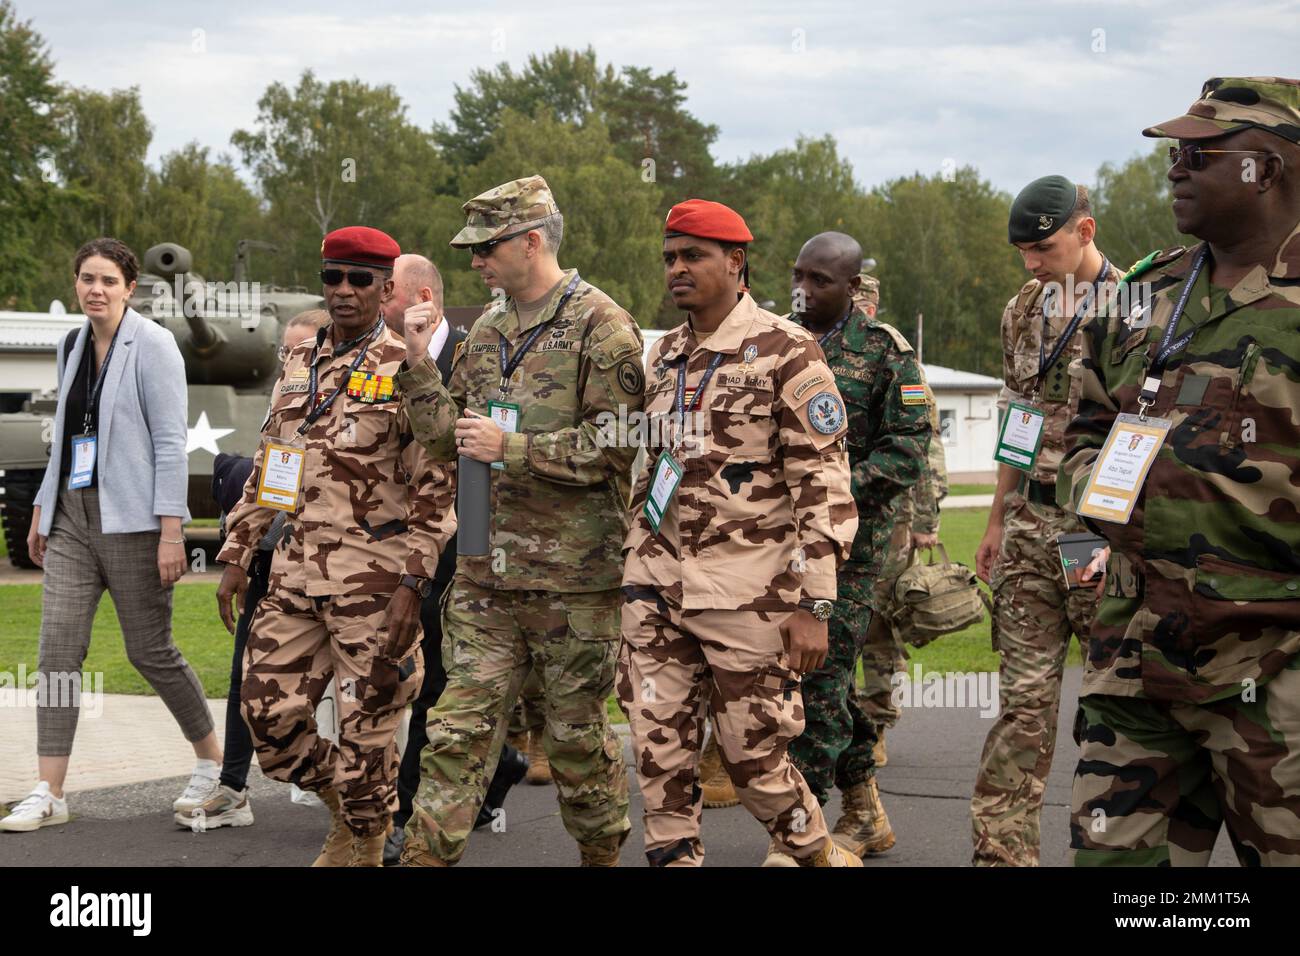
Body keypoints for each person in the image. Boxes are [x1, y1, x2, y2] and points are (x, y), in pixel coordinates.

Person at [1061, 76, 1300, 866]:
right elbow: (1081, 433)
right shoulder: (1145, 296)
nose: (1175, 169)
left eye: (1198, 153)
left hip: (1277, 670)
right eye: (1174, 153)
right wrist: (1108, 502)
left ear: (1263, 168)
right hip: (1136, 656)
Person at [397, 175, 640, 867]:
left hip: (574, 585)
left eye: (486, 247)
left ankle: (602, 855)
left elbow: (621, 445)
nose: (474, 262)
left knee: (573, 741)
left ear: (531, 241)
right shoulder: (488, 331)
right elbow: (447, 442)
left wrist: (517, 450)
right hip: (483, 574)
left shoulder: (603, 326)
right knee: (456, 734)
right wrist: (417, 364)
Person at [620, 199, 861, 867]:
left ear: (735, 262)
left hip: (749, 594)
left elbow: (825, 488)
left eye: (692, 255)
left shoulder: (787, 351)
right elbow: (653, 470)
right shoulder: (665, 355)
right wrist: (634, 562)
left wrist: (815, 606)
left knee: (756, 761)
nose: (677, 269)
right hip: (657, 590)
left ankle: (815, 853)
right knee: (658, 751)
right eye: (669, 257)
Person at [214, 226, 456, 867]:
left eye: (360, 279)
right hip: (294, 570)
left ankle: (367, 841)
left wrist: (415, 584)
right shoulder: (299, 363)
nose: (344, 290)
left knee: (369, 732)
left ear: (385, 289)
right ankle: (350, 812)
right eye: (333, 277)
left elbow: (440, 482)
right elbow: (274, 462)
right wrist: (239, 551)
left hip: (377, 584)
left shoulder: (408, 365)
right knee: (268, 718)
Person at [3, 238, 221, 834]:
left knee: (150, 652)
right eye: (85, 278)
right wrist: (42, 508)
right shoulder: (70, 344)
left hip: (135, 519)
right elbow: (67, 435)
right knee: (56, 653)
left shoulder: (154, 345)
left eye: (106, 280)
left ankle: (212, 765)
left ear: (129, 287)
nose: (94, 289)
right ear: (75, 283)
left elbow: (172, 442)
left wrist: (172, 532)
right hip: (73, 515)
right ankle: (50, 790)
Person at [969, 176, 1123, 866]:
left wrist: (1120, 532)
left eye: (1044, 247)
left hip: (1097, 530)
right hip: (1031, 523)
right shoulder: (1022, 310)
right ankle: (1002, 855)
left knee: (1116, 707)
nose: (1032, 263)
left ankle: (1112, 854)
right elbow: (1018, 414)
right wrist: (999, 516)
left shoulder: (1139, 308)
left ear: (1083, 232)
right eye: (1022, 252)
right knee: (1023, 708)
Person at [769, 231, 930, 863]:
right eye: (798, 277)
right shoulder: (774, 340)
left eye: (820, 281)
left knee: (818, 679)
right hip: (776, 545)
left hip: (851, 554)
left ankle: (799, 834)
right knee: (807, 680)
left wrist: (829, 487)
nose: (803, 292)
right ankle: (865, 808)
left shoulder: (886, 353)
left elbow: (907, 450)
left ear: (853, 286)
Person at [377, 253, 528, 866]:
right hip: (409, 546)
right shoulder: (393, 358)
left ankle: (410, 818)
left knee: (440, 684)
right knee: (430, 684)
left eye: (383, 289)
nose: (371, 300)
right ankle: (495, 769)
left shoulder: (473, 352)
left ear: (419, 297)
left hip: (468, 544)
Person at [178, 309, 333, 832]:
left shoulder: (361, 395)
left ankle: (372, 796)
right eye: (285, 353)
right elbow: (274, 482)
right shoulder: (286, 405)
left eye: (304, 350)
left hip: (348, 570)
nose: (293, 361)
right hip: (277, 563)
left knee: (368, 688)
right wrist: (241, 554)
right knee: (249, 676)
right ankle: (233, 788)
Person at [861, 376, 948, 769]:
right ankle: (833, 724)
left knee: (879, 623)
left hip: (892, 520)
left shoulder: (895, 366)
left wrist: (927, 519)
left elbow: (923, 449)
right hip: (829, 513)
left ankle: (876, 724)